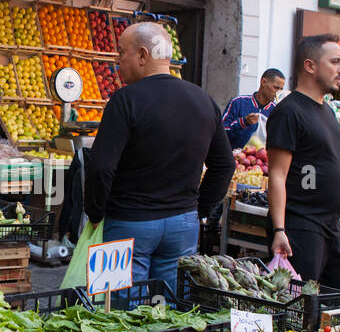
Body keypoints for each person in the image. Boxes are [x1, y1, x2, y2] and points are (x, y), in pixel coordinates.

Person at [84, 22, 234, 293]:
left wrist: (95, 211)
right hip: (182, 225)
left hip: (129, 223)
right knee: (171, 307)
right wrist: (199, 209)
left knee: (119, 310)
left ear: (142, 55)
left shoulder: (125, 100)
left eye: (121, 53)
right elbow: (224, 165)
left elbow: (100, 166)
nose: (118, 61)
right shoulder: (203, 100)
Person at [267, 34, 340, 289]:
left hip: (331, 226)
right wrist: (279, 230)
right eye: (335, 62)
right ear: (310, 66)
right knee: (299, 306)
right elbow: (277, 175)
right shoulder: (289, 112)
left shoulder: (328, 112)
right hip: (301, 226)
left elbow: (334, 167)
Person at [222, 68, 287, 149]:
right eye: (276, 88)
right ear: (263, 82)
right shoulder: (238, 102)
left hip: (262, 160)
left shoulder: (277, 111)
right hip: (234, 158)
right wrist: (244, 122)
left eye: (281, 89)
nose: (278, 93)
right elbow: (222, 134)